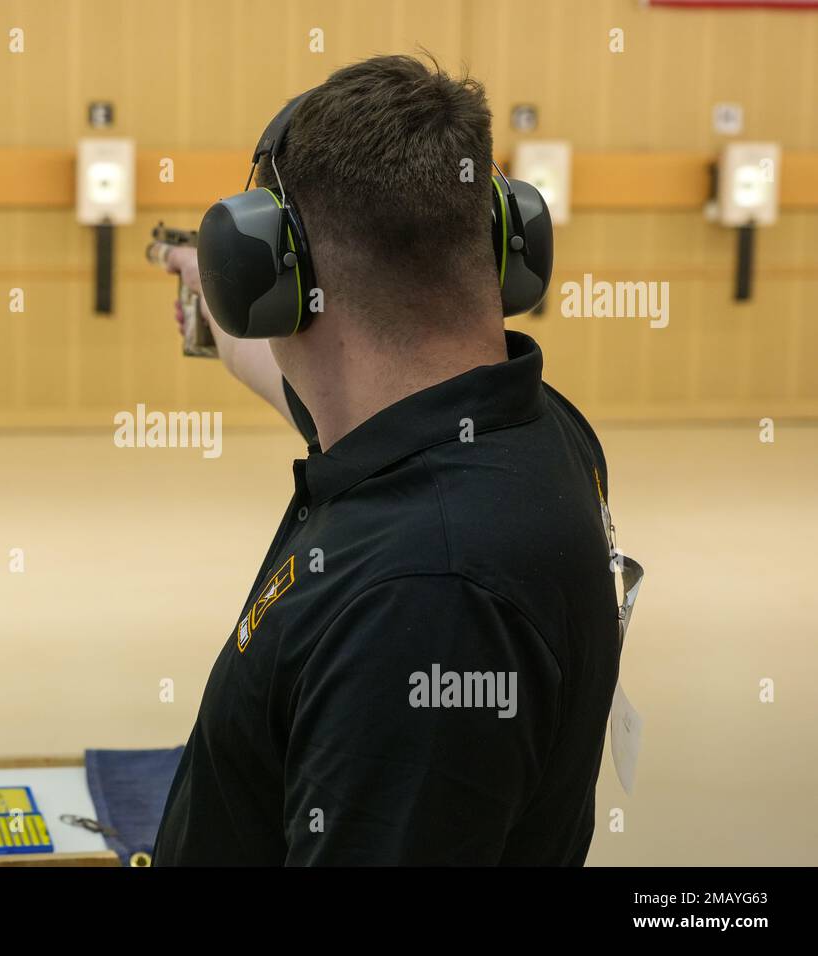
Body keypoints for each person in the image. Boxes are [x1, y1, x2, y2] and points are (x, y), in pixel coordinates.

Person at [152, 54, 621, 865]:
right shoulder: (519, 424)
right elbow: (303, 375)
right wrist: (205, 290)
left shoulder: (425, 600)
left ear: (263, 273)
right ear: (510, 238)